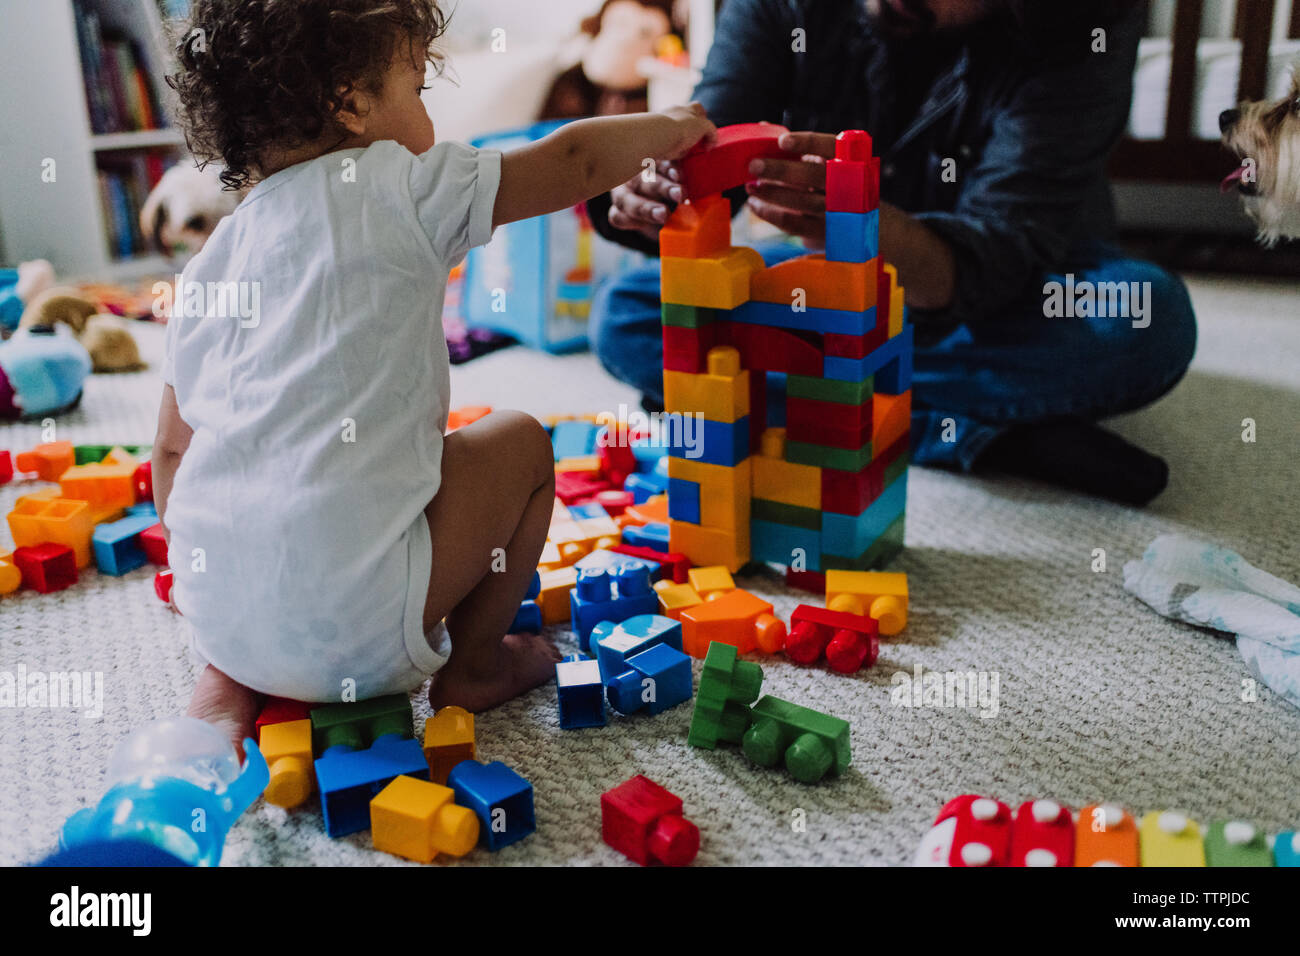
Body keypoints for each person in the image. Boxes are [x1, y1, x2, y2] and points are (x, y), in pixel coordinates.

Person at [151, 0, 715, 748]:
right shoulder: (403, 185)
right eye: (418, 89)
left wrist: (226, 568)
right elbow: (572, 161)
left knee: (254, 512)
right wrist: (674, 128)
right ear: (349, 103)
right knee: (518, 443)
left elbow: (169, 455)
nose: (427, 116)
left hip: (219, 610)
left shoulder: (209, 263)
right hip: (366, 627)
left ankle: (231, 673)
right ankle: (475, 666)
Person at [589, 0, 1197, 506]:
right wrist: (646, 185)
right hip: (844, 294)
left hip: (1007, 293)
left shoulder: (1083, 21)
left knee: (1143, 316)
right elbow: (706, 143)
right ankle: (989, 436)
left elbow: (995, 257)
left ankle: (806, 408)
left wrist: (864, 222)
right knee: (629, 317)